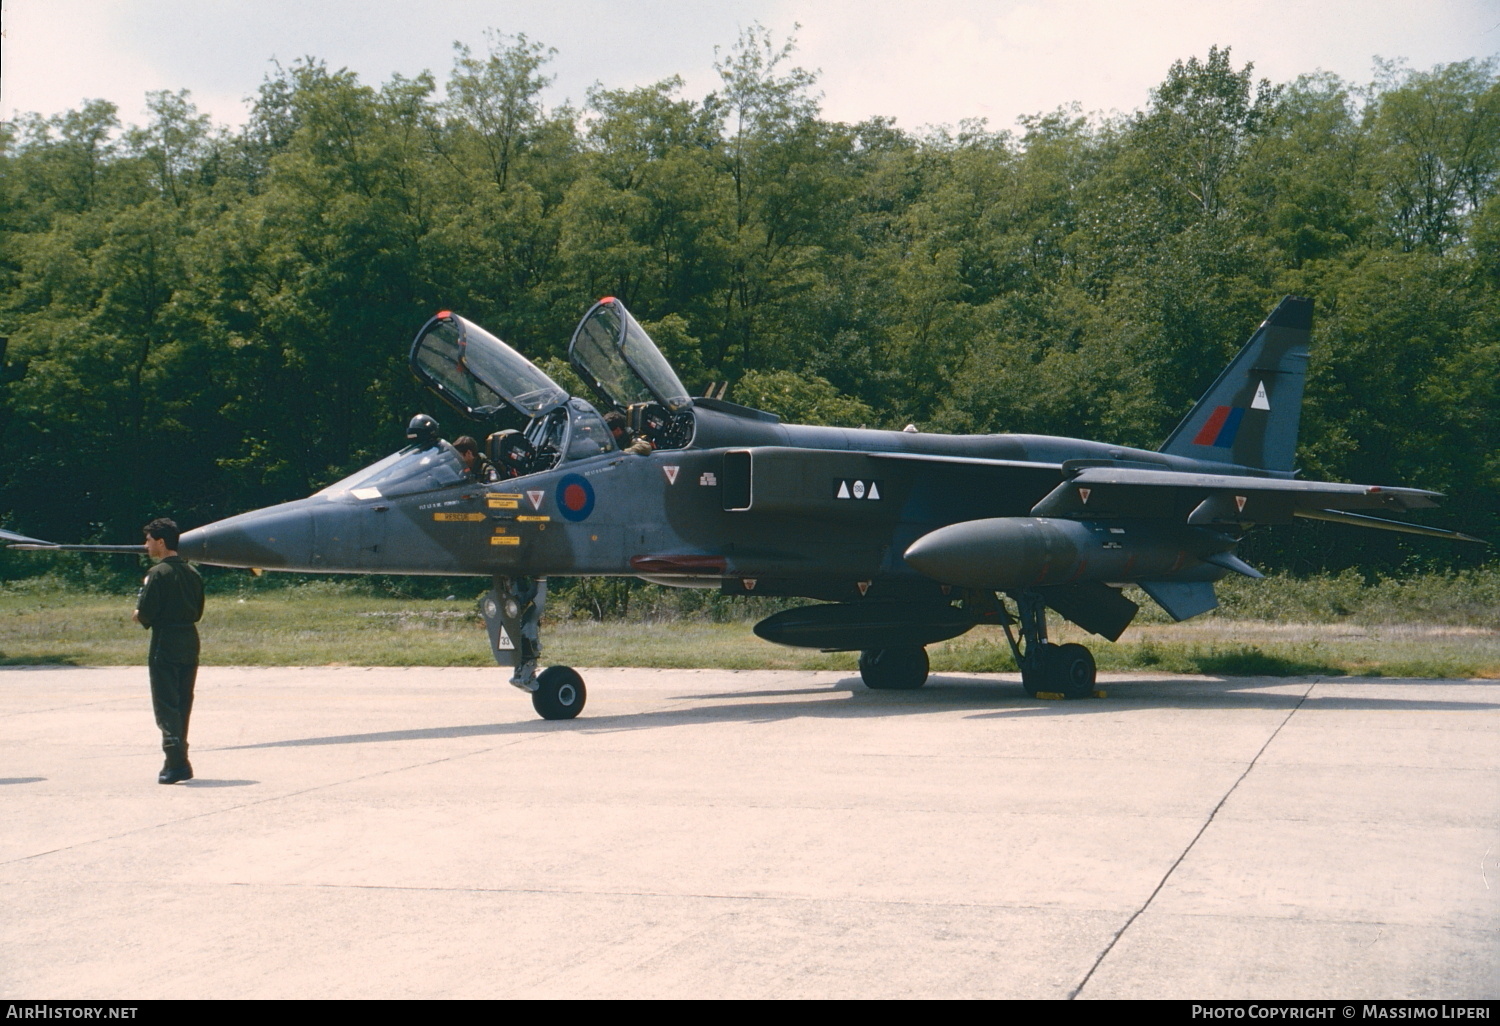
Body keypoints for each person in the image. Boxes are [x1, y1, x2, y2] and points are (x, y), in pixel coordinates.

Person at [133, 517, 205, 785]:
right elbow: (198, 611)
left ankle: (177, 763)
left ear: (161, 542)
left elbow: (146, 613)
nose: (146, 545)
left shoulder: (158, 573)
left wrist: (138, 615)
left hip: (166, 641)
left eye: (149, 540)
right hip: (189, 639)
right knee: (183, 702)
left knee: (166, 704)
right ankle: (176, 758)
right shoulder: (193, 572)